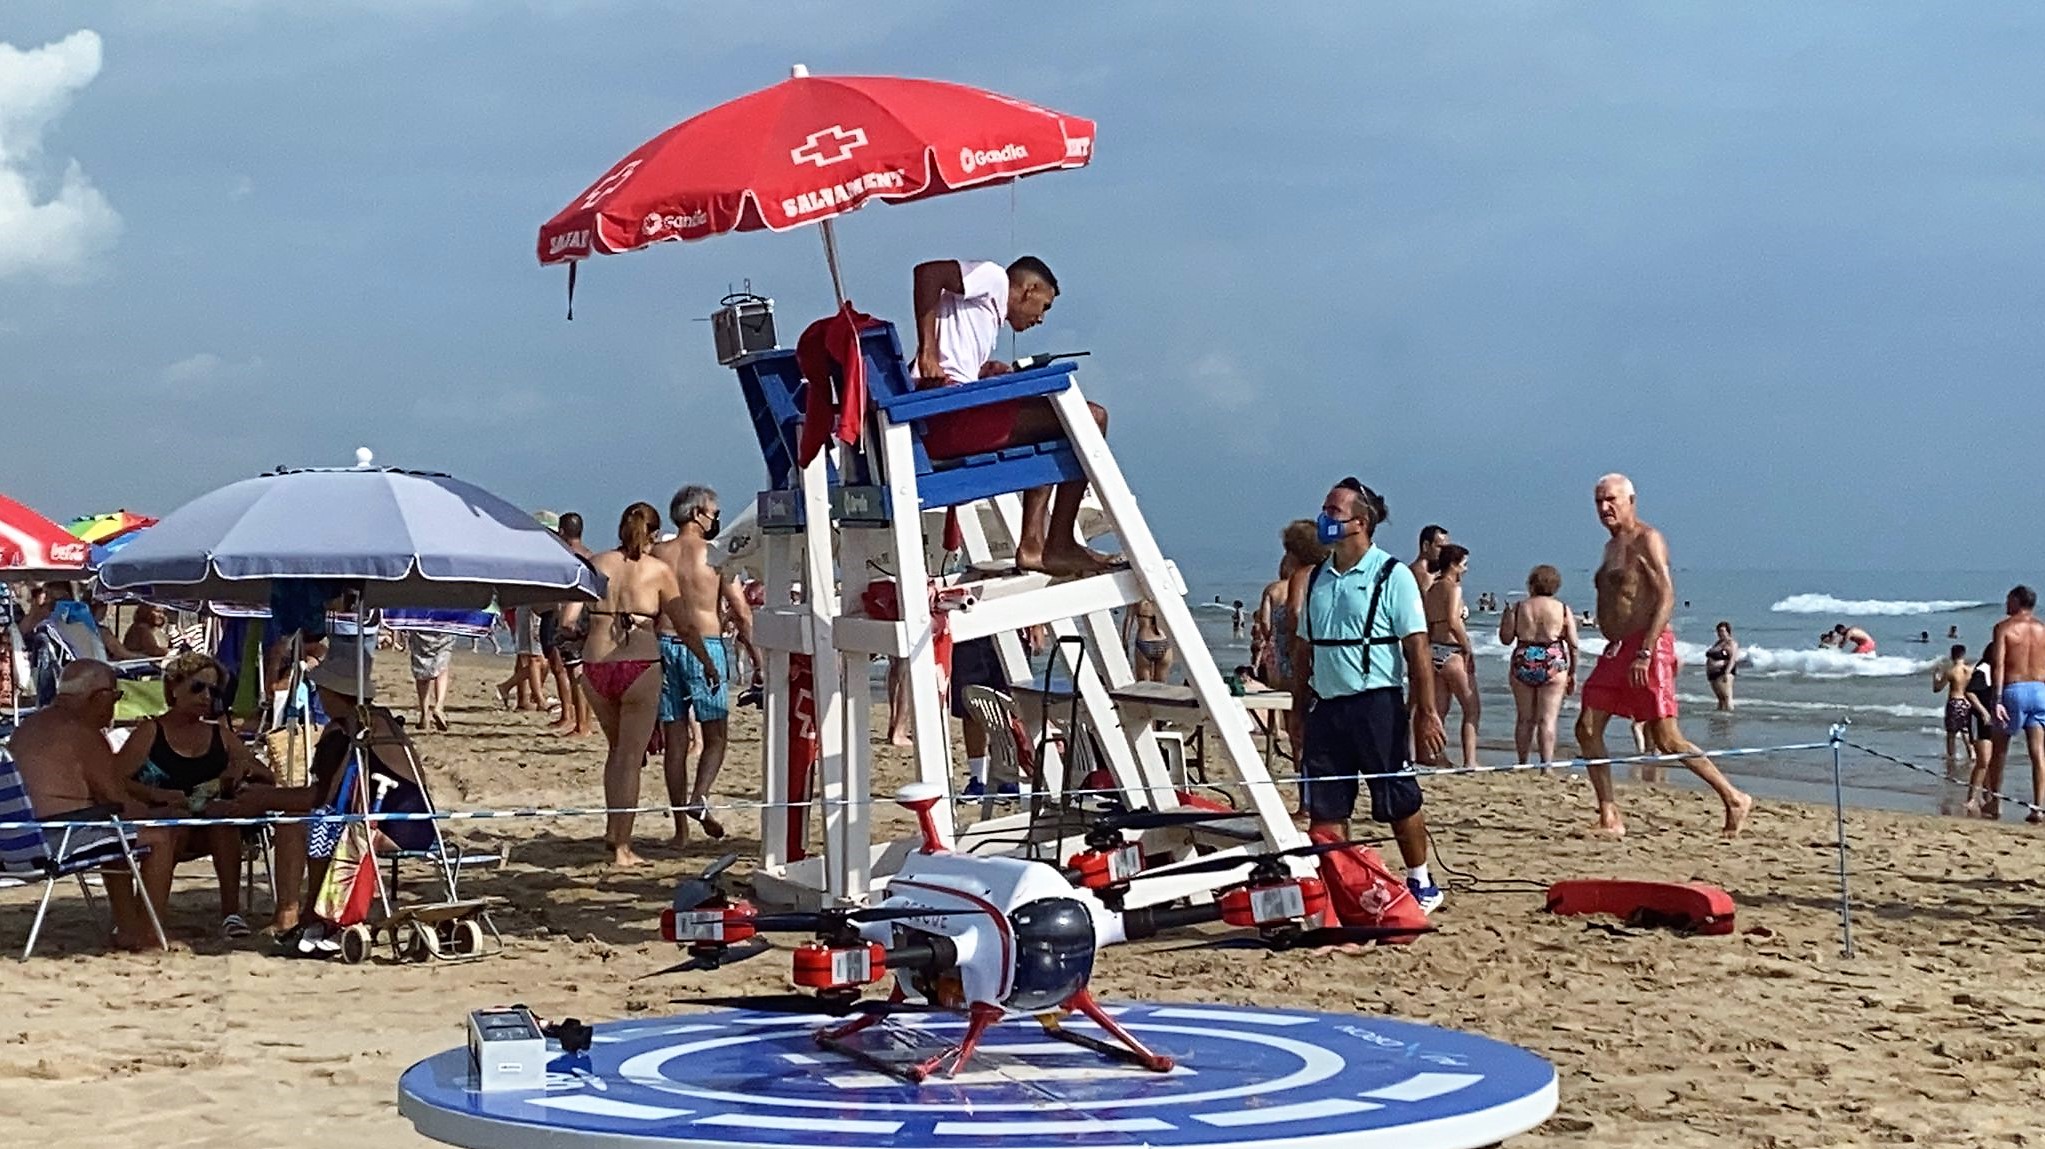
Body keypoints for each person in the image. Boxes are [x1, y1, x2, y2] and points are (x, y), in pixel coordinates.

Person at [1287, 477, 1447, 913]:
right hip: (1327, 704)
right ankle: (1337, 886)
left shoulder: (1392, 576)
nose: (1324, 518)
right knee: (1324, 803)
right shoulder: (1316, 577)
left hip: (1376, 701)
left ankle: (1421, 881)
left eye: (1333, 512)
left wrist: (1426, 712)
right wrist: (1298, 707)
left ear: (1360, 522)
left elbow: (1417, 647)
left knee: (1396, 795)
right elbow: (1304, 648)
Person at [911, 256, 1115, 577]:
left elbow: (955, 356)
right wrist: (928, 352)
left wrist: (981, 372)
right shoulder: (993, 279)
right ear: (1028, 289)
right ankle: (1056, 544)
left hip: (944, 416)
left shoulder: (982, 311)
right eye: (1043, 306)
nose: (1041, 319)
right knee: (1091, 418)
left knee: (1057, 426)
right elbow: (927, 273)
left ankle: (1036, 544)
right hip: (947, 420)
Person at [1574, 474, 1752, 837]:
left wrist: (1645, 651)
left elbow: (1666, 597)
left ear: (1630, 500)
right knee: (1587, 727)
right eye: (1598, 502)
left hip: (1647, 647)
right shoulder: (1611, 547)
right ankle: (1609, 816)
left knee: (1667, 738)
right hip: (1617, 648)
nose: (1604, 508)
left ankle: (1734, 797)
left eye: (1611, 500)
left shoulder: (1647, 539)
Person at [112, 652, 318, 938]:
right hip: (164, 825)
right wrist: (158, 795)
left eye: (213, 690)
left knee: (222, 817)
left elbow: (266, 776)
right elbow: (116, 781)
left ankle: (231, 914)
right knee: (177, 824)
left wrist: (241, 769)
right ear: (174, 687)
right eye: (198, 687)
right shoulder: (150, 732)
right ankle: (149, 917)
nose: (206, 696)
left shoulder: (219, 736)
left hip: (210, 827)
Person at [559, 503, 709, 867]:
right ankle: (623, 847)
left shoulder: (596, 565)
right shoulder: (659, 571)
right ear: (655, 534)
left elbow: (567, 620)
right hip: (640, 665)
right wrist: (707, 663)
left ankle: (614, 829)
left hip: (596, 664)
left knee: (616, 752)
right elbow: (686, 626)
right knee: (630, 757)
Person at [7, 661, 180, 950]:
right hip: (55, 840)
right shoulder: (83, 734)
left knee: (114, 832)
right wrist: (168, 813)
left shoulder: (28, 727)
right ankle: (147, 933)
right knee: (159, 835)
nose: (114, 706)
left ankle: (128, 926)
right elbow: (118, 803)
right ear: (98, 697)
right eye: (116, 697)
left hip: (16, 842)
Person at [285, 654, 438, 956]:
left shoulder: (347, 730)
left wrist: (260, 799)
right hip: (421, 827)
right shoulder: (385, 723)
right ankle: (315, 916)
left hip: (381, 828)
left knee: (308, 827)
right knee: (325, 826)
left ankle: (306, 915)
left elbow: (322, 797)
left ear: (333, 693)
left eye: (322, 692)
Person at [650, 486, 735, 846]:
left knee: (676, 740)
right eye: (714, 513)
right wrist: (759, 658)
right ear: (698, 513)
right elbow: (741, 611)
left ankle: (680, 831)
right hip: (706, 644)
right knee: (715, 735)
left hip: (664, 643)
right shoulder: (714, 555)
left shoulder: (657, 554)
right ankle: (699, 796)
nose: (716, 519)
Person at [1499, 565, 1580, 765]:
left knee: (1525, 718)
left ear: (1531, 583)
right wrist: (1573, 672)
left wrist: (1506, 618)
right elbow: (1574, 644)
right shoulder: (1562, 609)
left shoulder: (1519, 607)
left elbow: (1506, 639)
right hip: (1552, 658)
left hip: (1524, 657)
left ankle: (1523, 761)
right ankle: (1546, 764)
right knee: (1547, 719)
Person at [1990, 586, 2045, 824]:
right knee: (2038, 752)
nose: (2005, 603)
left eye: (2008, 599)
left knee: (2000, 749)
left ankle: (1995, 800)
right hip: (2040, 690)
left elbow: (1999, 664)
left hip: (2014, 689)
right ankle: (2038, 806)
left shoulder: (2004, 628)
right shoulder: (2042, 629)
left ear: (2016, 600)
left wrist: (1997, 699)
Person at [1422, 544, 1480, 767]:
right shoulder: (1453, 589)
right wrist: (1468, 648)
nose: (1465, 569)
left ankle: (1439, 756)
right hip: (1452, 651)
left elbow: (1427, 623)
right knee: (1472, 710)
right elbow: (1454, 621)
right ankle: (1470, 761)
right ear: (1454, 565)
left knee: (1440, 711)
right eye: (1464, 564)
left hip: (1434, 650)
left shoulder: (1432, 589)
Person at [549, 512, 595, 737]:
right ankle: (583, 722)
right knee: (581, 671)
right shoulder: (591, 556)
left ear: (562, 532)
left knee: (574, 671)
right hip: (588, 615)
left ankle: (582, 724)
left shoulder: (566, 556)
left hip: (571, 616)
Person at [1964, 640, 2002, 817]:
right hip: (1979, 719)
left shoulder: (2000, 671)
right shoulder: (1984, 669)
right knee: (1983, 760)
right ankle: (1972, 798)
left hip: (1994, 720)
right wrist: (1983, 711)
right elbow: (1970, 692)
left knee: (1992, 761)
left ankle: (1988, 798)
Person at [408, 627, 457, 732]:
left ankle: (425, 714)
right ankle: (438, 707)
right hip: (444, 624)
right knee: (442, 667)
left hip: (421, 624)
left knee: (421, 667)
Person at [1934, 643, 1973, 760]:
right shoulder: (1970, 670)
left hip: (1954, 702)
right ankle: (1972, 755)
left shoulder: (1951, 671)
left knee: (1951, 734)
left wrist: (1935, 677)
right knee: (1966, 732)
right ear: (1964, 655)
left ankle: (1951, 757)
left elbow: (1937, 688)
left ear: (1952, 655)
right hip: (1967, 702)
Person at [1123, 599, 1173, 683]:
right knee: (1161, 687)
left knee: (1144, 686)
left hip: (1145, 642)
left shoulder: (1136, 599)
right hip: (1163, 641)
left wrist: (1125, 643)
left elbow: (1128, 620)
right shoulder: (1158, 597)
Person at [1705, 621, 1740, 712]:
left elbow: (1733, 659)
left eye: (1722, 631)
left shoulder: (1731, 643)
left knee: (1727, 697)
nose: (1720, 633)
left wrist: (1727, 672)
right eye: (1718, 631)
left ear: (1728, 631)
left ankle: (1729, 714)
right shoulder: (1718, 643)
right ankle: (1720, 715)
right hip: (1713, 674)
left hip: (1723, 672)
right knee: (1720, 698)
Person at [1410, 525, 1449, 595]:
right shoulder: (1420, 572)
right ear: (1426, 546)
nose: (1445, 552)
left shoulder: (1434, 572)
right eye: (1440, 547)